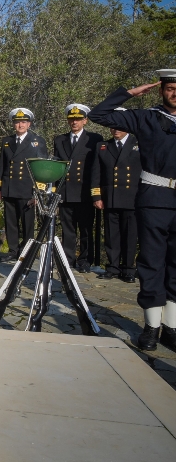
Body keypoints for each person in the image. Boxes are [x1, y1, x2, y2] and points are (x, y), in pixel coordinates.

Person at [88, 70, 176, 353]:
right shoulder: (146, 117)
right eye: (171, 88)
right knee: (152, 262)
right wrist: (130, 93)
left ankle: (171, 328)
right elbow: (99, 114)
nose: (175, 93)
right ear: (162, 90)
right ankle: (151, 326)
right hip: (154, 198)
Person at [52, 104, 103, 273]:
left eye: (78, 119)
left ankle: (85, 260)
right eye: (72, 119)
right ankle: (68, 259)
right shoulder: (60, 140)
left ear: (85, 121)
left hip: (84, 192)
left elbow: (97, 168)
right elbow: (56, 168)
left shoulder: (94, 139)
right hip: (66, 191)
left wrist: (97, 193)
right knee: (68, 229)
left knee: (86, 228)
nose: (74, 122)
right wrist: (54, 191)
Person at [91, 117, 141, 282]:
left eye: (119, 126)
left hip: (132, 198)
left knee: (130, 235)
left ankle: (128, 269)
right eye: (112, 127)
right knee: (111, 235)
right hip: (110, 197)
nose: (115, 130)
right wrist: (96, 196)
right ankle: (112, 267)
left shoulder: (139, 143)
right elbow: (96, 174)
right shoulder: (103, 146)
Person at [0, 108, 48, 261]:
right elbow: (2, 166)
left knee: (27, 224)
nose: (20, 125)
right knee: (11, 222)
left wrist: (39, 191)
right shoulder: (7, 141)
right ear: (13, 124)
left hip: (27, 189)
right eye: (17, 122)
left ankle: (27, 252)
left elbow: (42, 168)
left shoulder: (37, 141)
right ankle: (13, 251)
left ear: (29, 124)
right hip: (10, 187)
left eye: (23, 122)